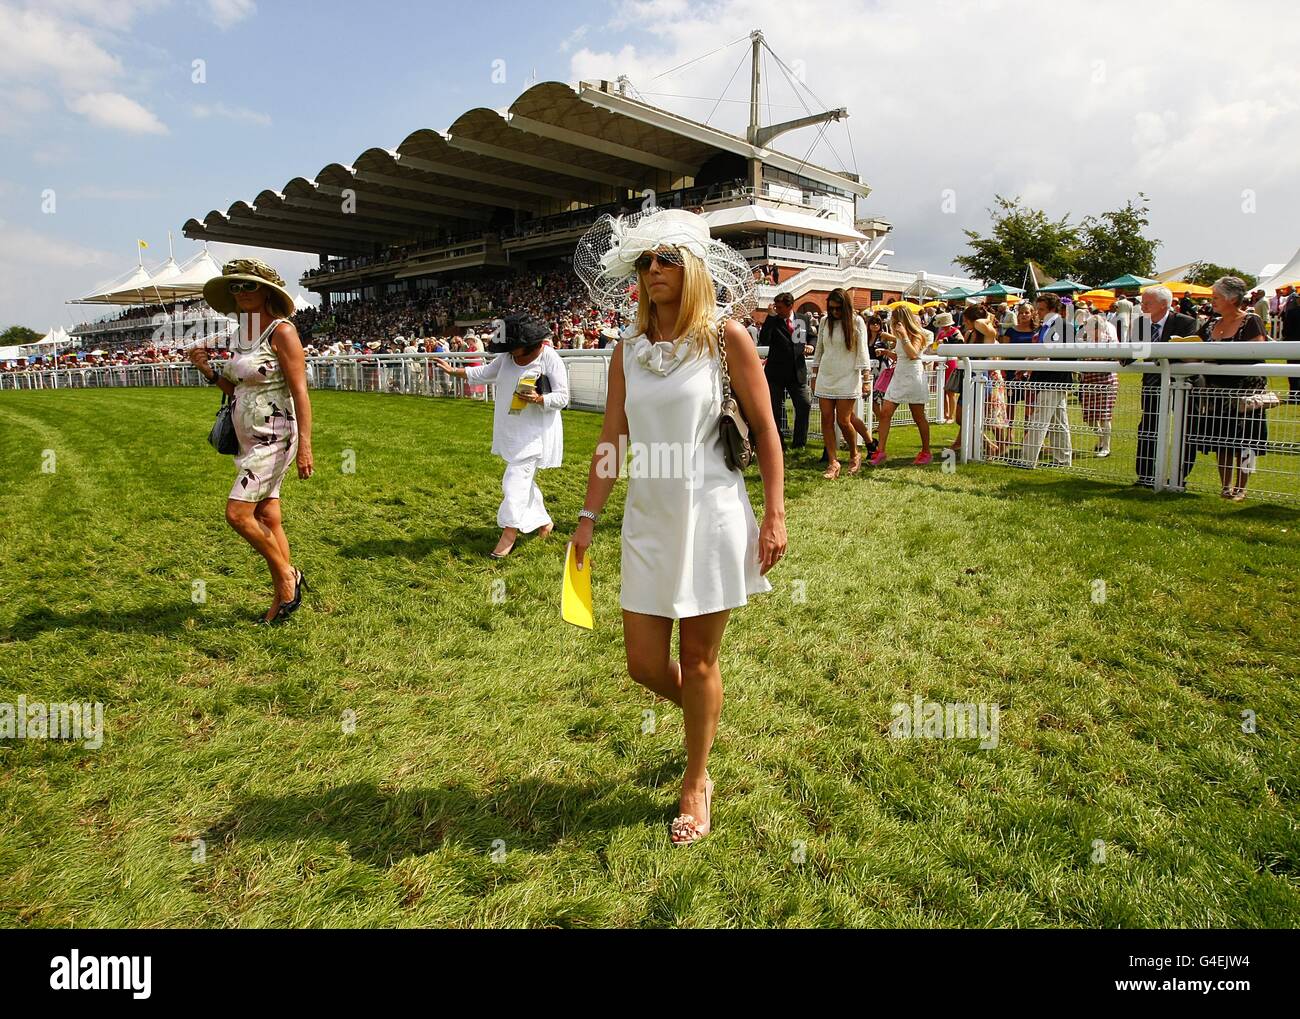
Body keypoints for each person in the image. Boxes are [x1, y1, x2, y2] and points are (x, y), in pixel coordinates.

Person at [569, 207, 785, 847]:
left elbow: (768, 430)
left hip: (712, 512)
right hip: (647, 514)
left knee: (697, 657)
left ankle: (696, 779)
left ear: (692, 268)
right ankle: (703, 712)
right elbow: (612, 438)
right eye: (643, 261)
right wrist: (587, 516)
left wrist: (774, 513)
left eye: (666, 258)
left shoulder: (726, 338)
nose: (653, 270)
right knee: (642, 664)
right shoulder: (625, 351)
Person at [187, 258, 314, 625]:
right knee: (268, 516)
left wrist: (305, 443)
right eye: (235, 287)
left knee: (238, 514)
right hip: (248, 437)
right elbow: (236, 388)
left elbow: (300, 392)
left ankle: (288, 578)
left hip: (275, 437)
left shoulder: (282, 331)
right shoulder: (242, 335)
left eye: (249, 286)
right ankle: (281, 601)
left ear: (267, 291)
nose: (241, 293)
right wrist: (208, 370)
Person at [434, 314, 568, 557]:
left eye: (513, 348)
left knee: (514, 481)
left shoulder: (550, 358)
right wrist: (453, 371)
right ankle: (544, 521)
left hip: (536, 433)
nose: (510, 353)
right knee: (523, 480)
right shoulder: (507, 357)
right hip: (511, 429)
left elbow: (562, 397)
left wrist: (539, 399)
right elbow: (483, 373)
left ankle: (509, 533)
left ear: (530, 344)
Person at [1188, 276, 1271, 502]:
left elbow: (1256, 352)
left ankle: (1241, 488)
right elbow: (1194, 346)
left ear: (1232, 298)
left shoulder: (1251, 321)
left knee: (1246, 444)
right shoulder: (1212, 323)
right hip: (1217, 395)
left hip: (1246, 395)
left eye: (1216, 297)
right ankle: (1225, 486)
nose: (1212, 301)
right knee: (1222, 441)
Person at [1134, 286, 1198, 487]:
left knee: (1184, 427)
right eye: (1142, 302)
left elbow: (1186, 352)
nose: (1142, 306)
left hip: (1182, 383)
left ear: (1164, 304)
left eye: (1147, 303)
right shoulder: (1140, 323)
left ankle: (1179, 476)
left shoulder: (1185, 322)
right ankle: (1145, 476)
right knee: (1148, 426)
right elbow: (1134, 348)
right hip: (1152, 383)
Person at [811, 288, 872, 477]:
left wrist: (866, 379)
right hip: (826, 376)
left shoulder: (857, 322)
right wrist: (814, 376)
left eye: (838, 309)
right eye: (832, 309)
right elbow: (819, 350)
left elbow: (863, 351)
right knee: (826, 419)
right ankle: (833, 462)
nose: (835, 312)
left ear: (846, 307)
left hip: (848, 376)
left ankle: (855, 454)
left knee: (844, 421)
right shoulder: (824, 322)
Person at [871, 305, 933, 466]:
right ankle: (881, 451)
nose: (893, 323)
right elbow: (901, 355)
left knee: (918, 416)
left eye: (895, 320)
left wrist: (904, 335)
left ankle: (926, 451)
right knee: (885, 412)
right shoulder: (898, 335)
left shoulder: (917, 335)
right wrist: (886, 352)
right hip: (899, 375)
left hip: (913, 376)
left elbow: (913, 354)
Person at [1022, 293, 1073, 469]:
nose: (1038, 313)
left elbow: (1056, 355)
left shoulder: (1061, 326)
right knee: (1059, 423)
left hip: (1054, 378)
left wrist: (1031, 364)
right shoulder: (1047, 325)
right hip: (1048, 377)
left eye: (1041, 309)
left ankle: (1027, 461)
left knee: (1039, 420)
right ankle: (1063, 460)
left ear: (1053, 309)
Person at [759, 292, 812, 450]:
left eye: (780, 307)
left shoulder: (803, 319)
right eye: (776, 306)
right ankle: (778, 442)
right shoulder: (774, 321)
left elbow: (811, 336)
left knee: (804, 405)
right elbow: (764, 339)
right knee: (774, 409)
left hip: (797, 372)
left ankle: (799, 443)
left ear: (790, 306)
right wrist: (770, 318)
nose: (777, 309)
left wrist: (811, 345)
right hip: (776, 373)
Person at [1076, 312, 1118, 457]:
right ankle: (1101, 438)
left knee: (1104, 415)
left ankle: (1106, 447)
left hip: (1106, 379)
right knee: (1090, 416)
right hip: (1088, 380)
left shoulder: (1109, 341)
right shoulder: (1084, 341)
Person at [1283, 292, 1300, 403]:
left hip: (1293, 344)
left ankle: (1293, 396)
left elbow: (1285, 331)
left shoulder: (1291, 313)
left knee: (1292, 372)